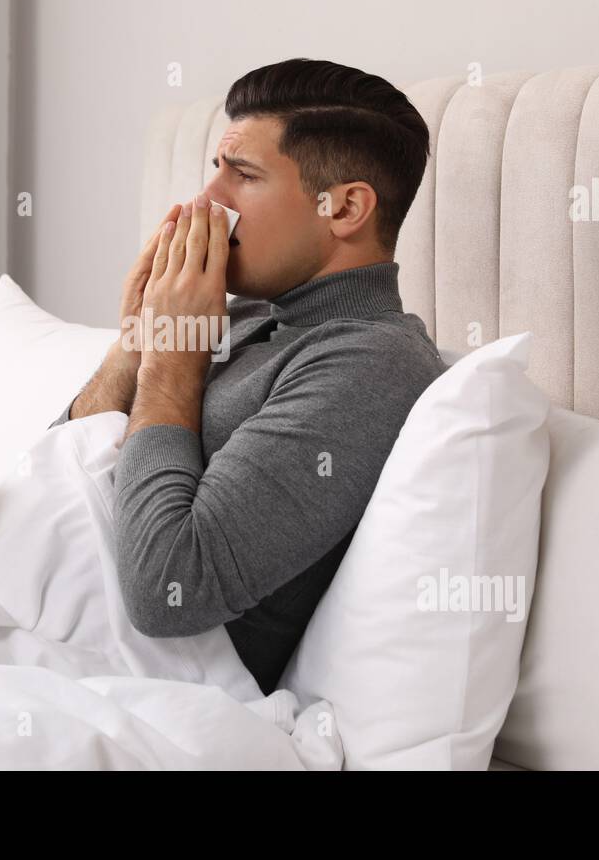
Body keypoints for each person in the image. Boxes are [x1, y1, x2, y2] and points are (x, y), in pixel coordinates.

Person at [52, 58, 447, 695]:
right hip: (22, 607)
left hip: (120, 680)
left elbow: (169, 595)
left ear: (344, 207)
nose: (207, 203)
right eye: (217, 170)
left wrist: (174, 361)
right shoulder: (235, 314)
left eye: (244, 175)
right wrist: (133, 346)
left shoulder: (371, 364)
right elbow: (50, 472)